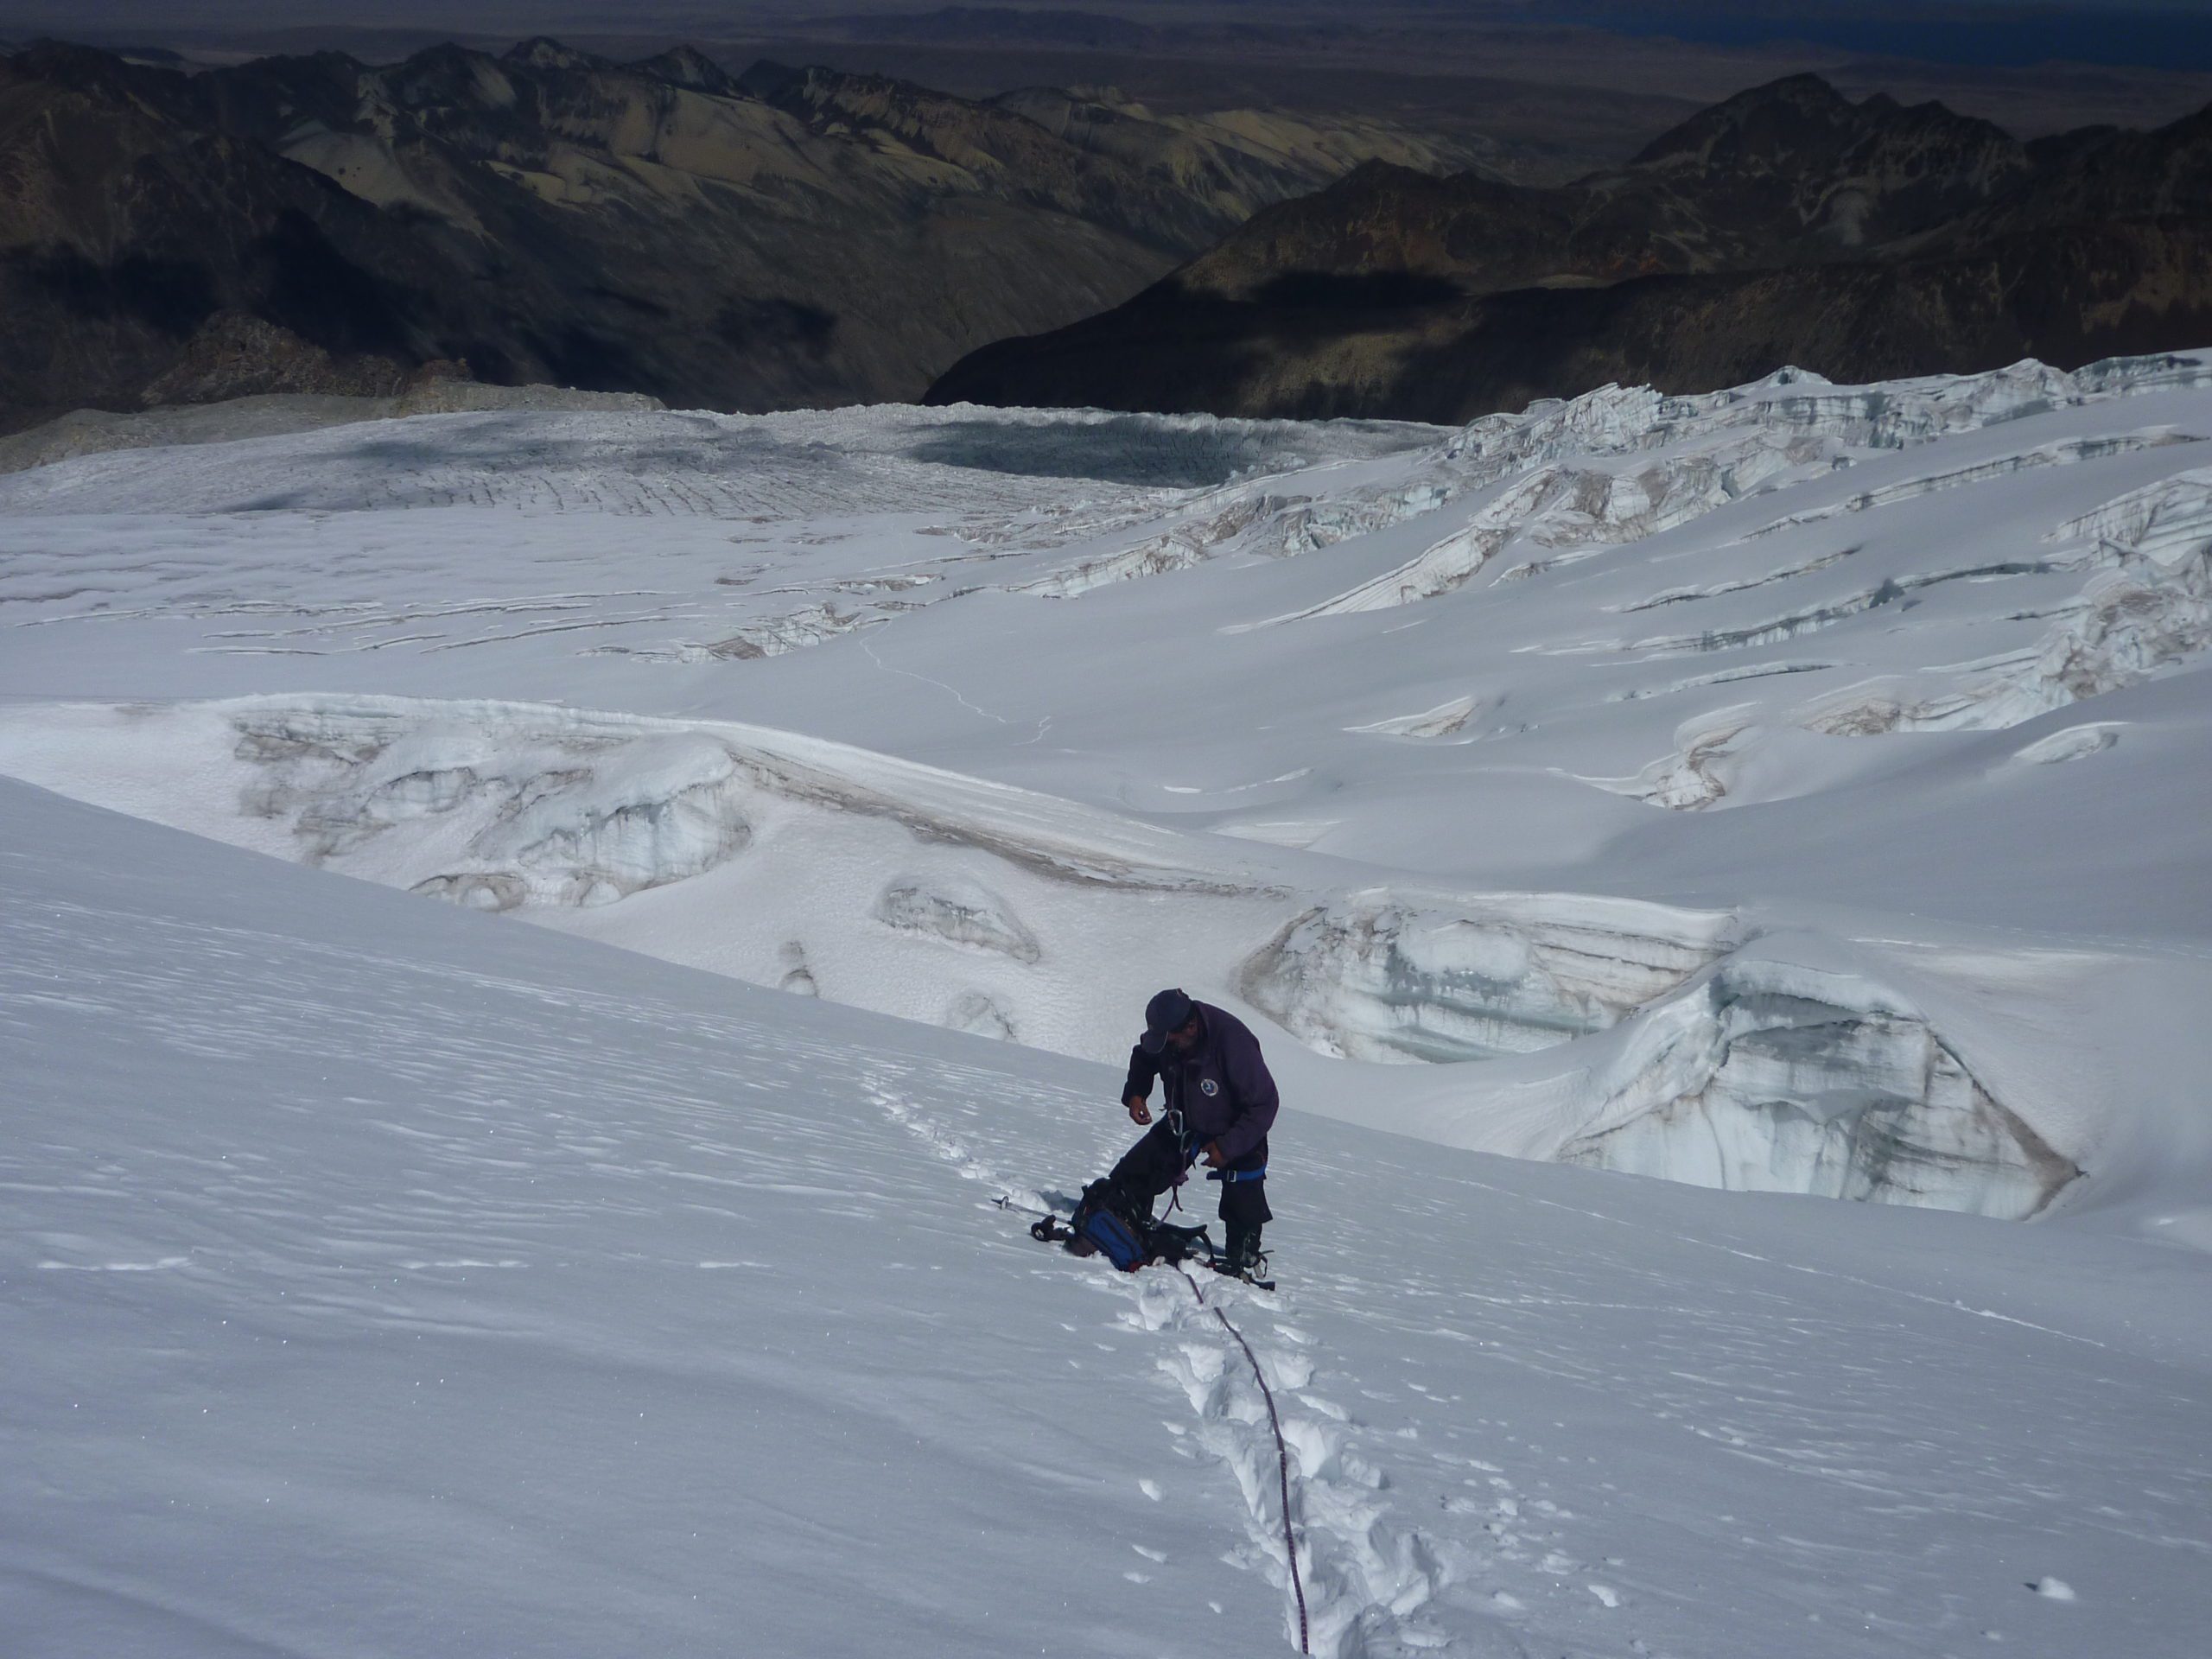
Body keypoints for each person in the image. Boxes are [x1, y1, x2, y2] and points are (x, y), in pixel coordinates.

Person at [1105, 987, 1278, 1275]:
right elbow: (1145, 1056)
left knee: (1243, 1194)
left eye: (1170, 1038)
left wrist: (1228, 1146)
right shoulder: (1167, 1037)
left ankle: (1244, 1254)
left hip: (1237, 1127)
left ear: (1191, 1026)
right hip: (1184, 1122)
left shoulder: (1233, 1043)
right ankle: (1128, 1224)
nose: (1166, 1045)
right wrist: (1136, 1093)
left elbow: (1264, 1105)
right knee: (1131, 1178)